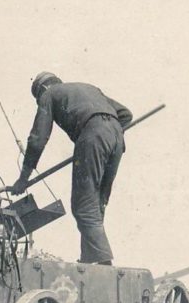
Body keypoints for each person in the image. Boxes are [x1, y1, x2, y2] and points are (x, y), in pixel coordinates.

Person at [8, 73, 132, 264]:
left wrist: (23, 178)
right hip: (116, 138)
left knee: (83, 205)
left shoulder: (48, 95)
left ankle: (104, 262)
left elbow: (37, 139)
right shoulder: (88, 87)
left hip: (93, 136)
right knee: (96, 201)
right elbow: (125, 115)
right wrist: (106, 134)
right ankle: (89, 258)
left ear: (42, 89)